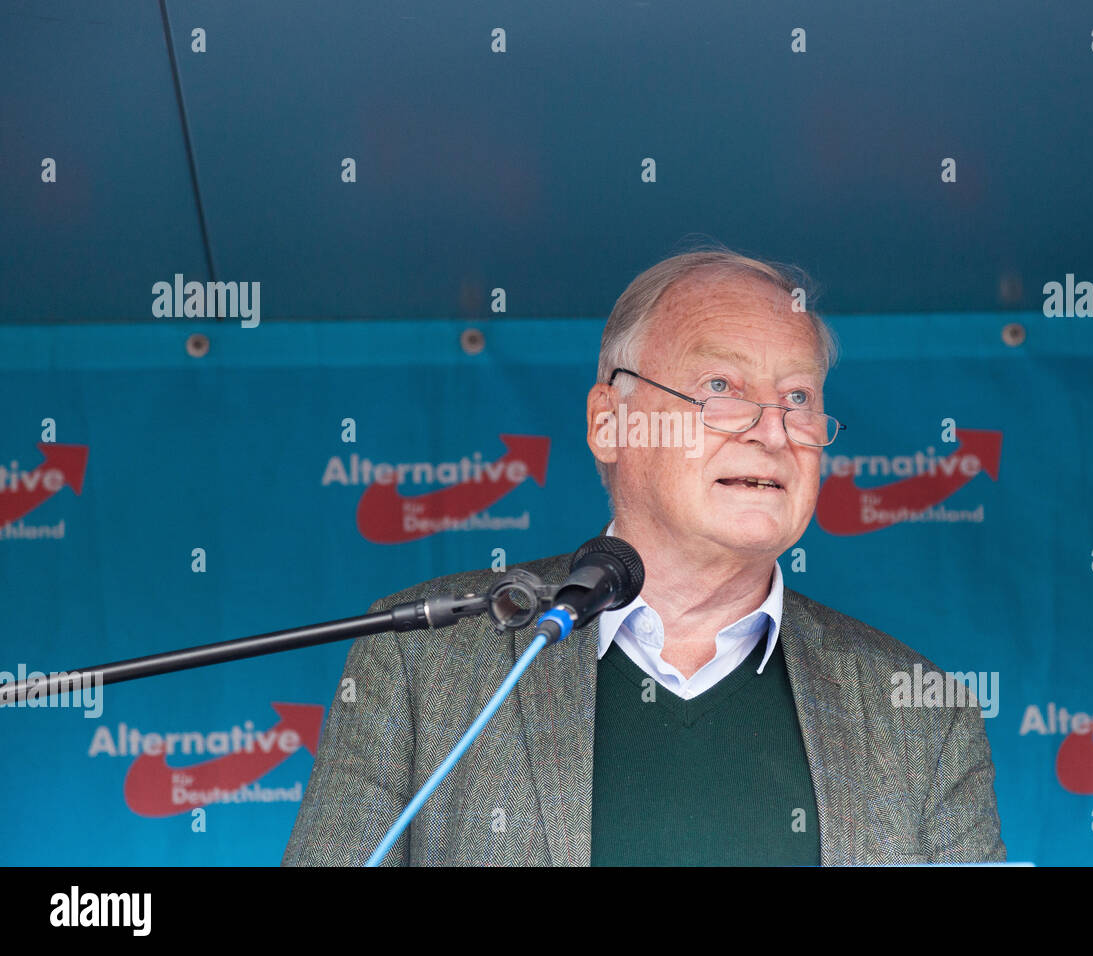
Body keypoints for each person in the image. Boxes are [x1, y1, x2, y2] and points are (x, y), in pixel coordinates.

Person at [283, 246, 1006, 865]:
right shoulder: (426, 660)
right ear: (609, 423)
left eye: (797, 397)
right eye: (720, 388)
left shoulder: (918, 712)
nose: (771, 430)